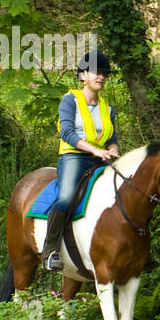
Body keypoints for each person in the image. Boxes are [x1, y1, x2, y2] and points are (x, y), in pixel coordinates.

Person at [39, 50, 120, 271]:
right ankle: (50, 251)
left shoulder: (107, 107)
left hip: (100, 158)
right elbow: (66, 132)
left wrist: (113, 150)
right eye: (96, 72)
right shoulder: (70, 100)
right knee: (65, 198)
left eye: (104, 74)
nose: (101, 77)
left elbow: (111, 139)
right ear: (82, 75)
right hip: (74, 158)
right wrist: (94, 150)